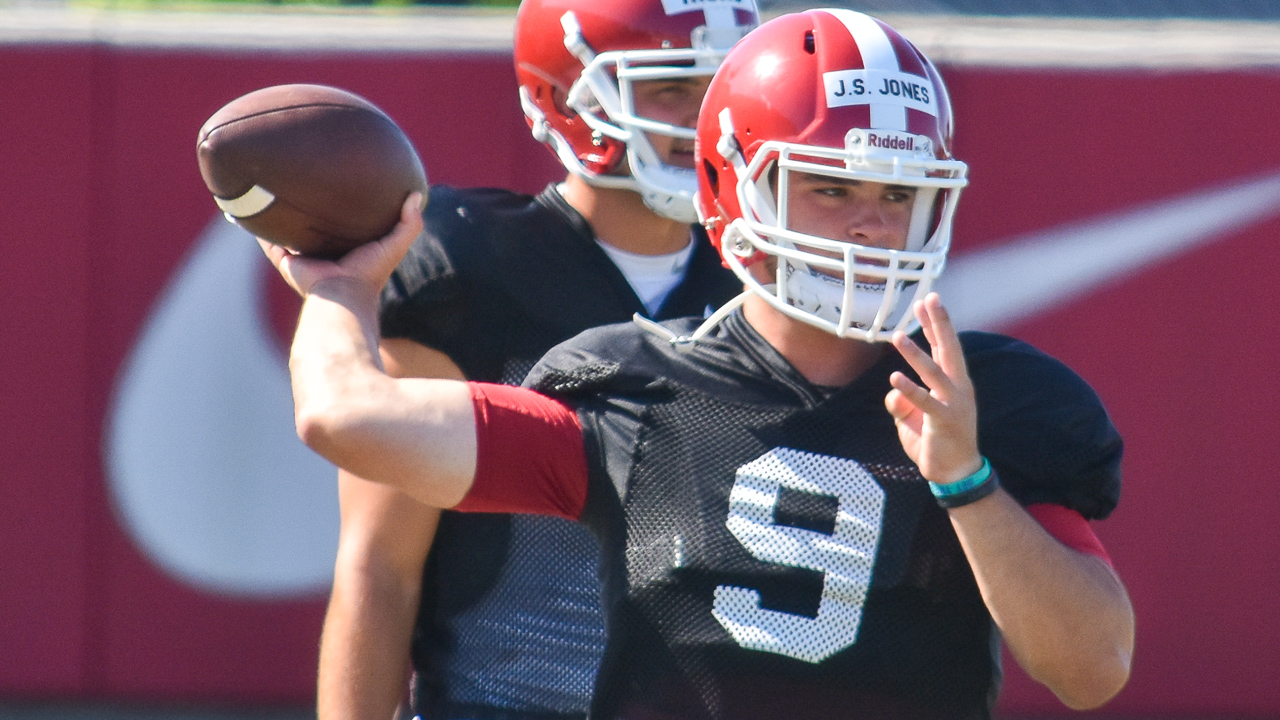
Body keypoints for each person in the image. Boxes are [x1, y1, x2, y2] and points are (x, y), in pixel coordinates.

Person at [277, 8, 1135, 719]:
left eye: (899, 194)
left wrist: (968, 483)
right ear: (737, 190)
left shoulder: (991, 401)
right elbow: (343, 421)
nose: (873, 226)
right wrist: (341, 292)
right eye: (833, 188)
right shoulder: (631, 390)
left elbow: (1094, 669)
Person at [316, 1, 760, 718]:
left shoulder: (765, 290)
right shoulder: (467, 274)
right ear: (566, 99)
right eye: (673, 86)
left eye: (721, 87)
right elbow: (380, 568)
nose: (705, 116)